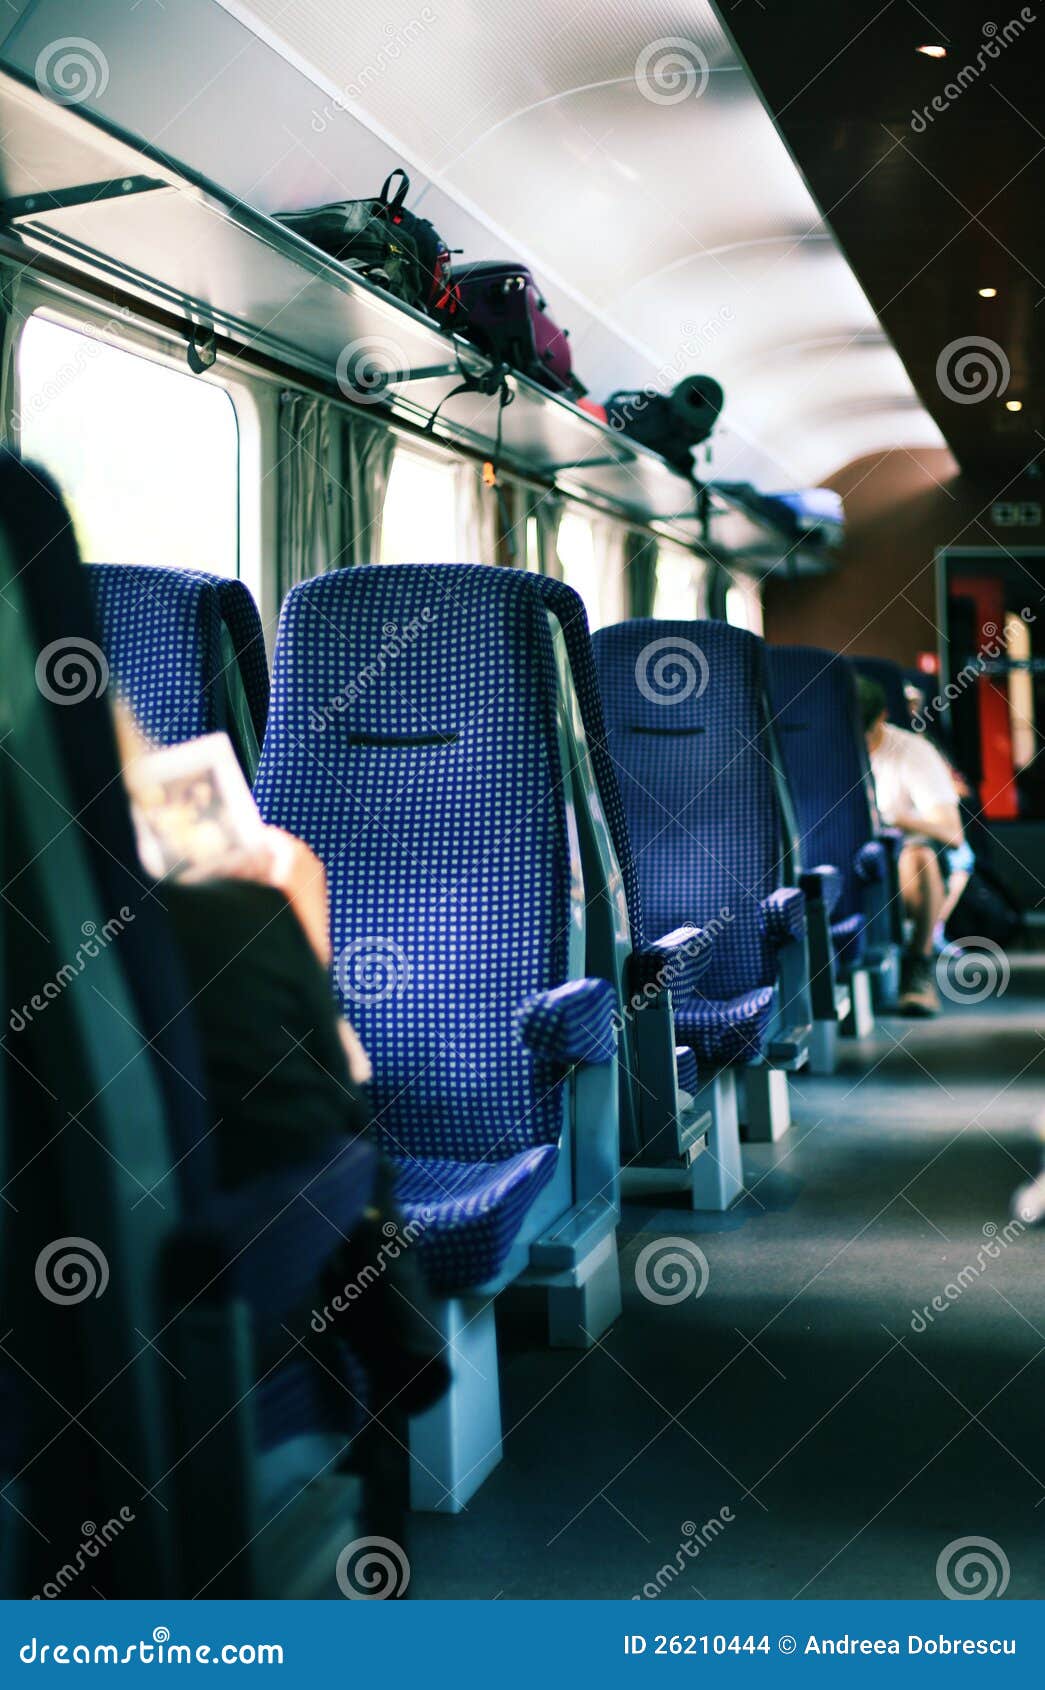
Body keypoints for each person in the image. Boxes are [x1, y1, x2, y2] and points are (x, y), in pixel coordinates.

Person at [859, 676, 967, 1017]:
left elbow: (952, 833)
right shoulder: (811, 750)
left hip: (895, 863)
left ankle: (918, 967)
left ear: (881, 718)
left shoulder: (912, 753)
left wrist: (896, 818)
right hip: (834, 860)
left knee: (919, 858)